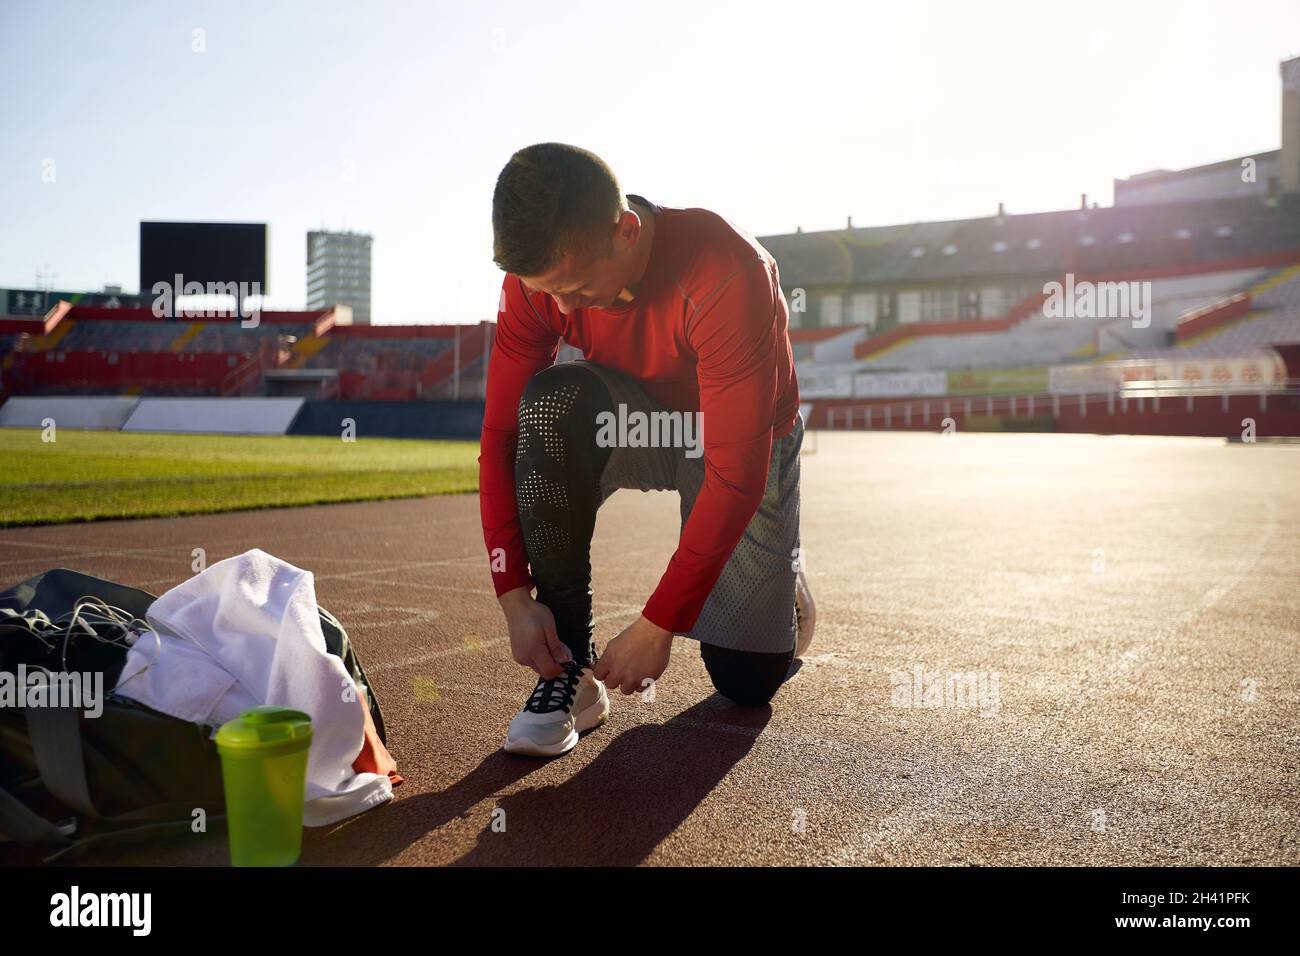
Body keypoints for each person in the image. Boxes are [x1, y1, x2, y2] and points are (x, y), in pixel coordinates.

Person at [481, 143, 816, 757]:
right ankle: (570, 679)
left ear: (626, 232)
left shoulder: (726, 272)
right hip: (636, 426)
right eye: (547, 292)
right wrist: (513, 595)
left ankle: (782, 584)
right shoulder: (539, 282)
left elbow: (734, 476)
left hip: (735, 438)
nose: (562, 310)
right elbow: (501, 437)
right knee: (550, 404)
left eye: (578, 288)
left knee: (745, 681)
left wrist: (657, 624)